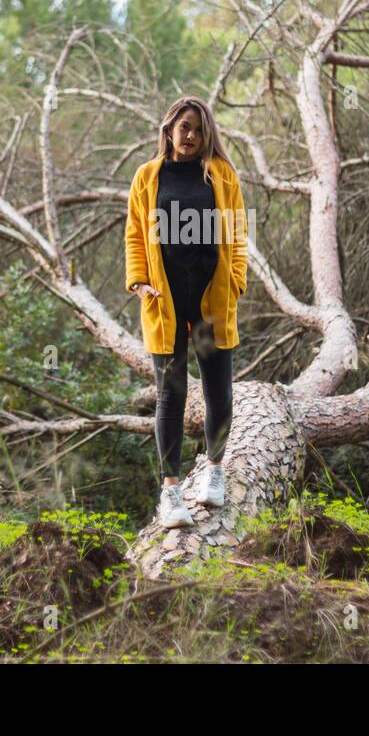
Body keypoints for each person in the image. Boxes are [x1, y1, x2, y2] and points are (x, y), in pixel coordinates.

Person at [123, 95, 248, 528]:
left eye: (197, 128)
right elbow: (135, 235)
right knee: (171, 394)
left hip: (211, 300)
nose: (191, 135)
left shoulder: (222, 175)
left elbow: (237, 232)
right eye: (184, 127)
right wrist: (138, 282)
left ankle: (214, 470)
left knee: (218, 389)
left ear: (206, 132)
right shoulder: (147, 177)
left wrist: (236, 281)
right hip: (165, 302)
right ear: (169, 130)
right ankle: (171, 491)